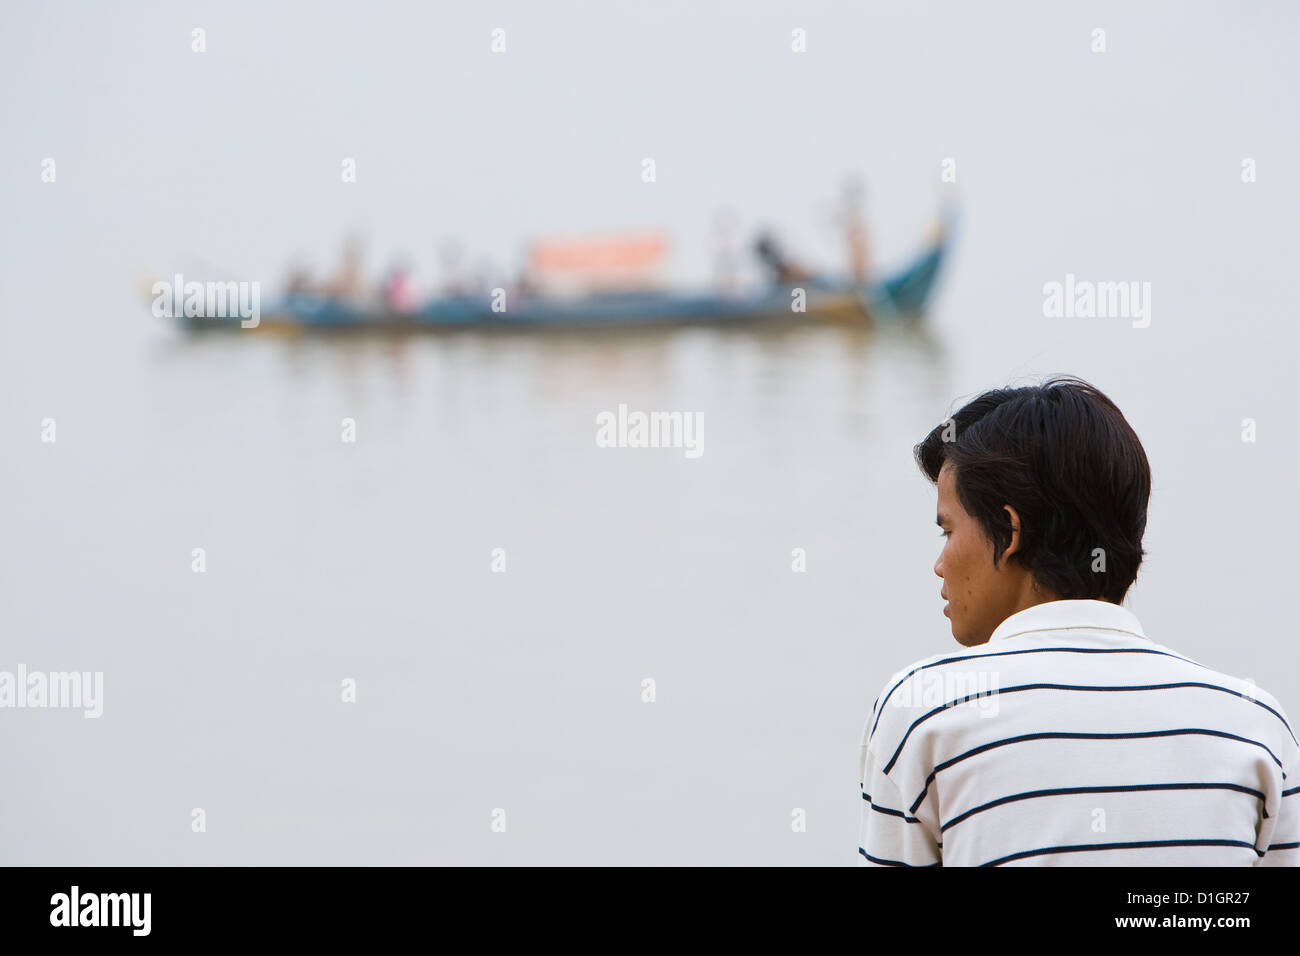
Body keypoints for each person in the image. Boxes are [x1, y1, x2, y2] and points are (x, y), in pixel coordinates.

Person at [859, 376, 1299, 866]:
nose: (939, 565)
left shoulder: (926, 712)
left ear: (1007, 532)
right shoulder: (1254, 726)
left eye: (947, 530)